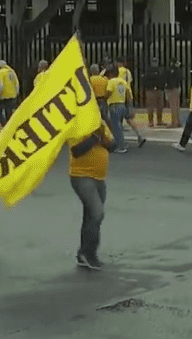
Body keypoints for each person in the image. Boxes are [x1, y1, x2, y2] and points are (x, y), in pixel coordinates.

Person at [68, 119, 116, 270]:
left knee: (90, 215)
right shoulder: (77, 123)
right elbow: (76, 150)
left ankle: (84, 253)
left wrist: (104, 140)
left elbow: (113, 145)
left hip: (100, 177)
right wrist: (95, 138)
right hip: (81, 176)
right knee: (97, 213)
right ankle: (89, 253)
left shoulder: (101, 123)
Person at [104, 66, 131, 155]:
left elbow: (109, 92)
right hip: (122, 105)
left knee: (116, 128)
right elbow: (128, 94)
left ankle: (120, 147)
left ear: (111, 73)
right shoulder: (123, 81)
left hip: (114, 105)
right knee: (119, 126)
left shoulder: (111, 81)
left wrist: (104, 99)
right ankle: (121, 143)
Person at [0, 60, 20, 128]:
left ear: (0, 66)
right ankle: (9, 126)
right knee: (9, 112)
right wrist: (16, 93)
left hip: (3, 96)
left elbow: (0, 85)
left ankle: (3, 124)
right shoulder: (12, 71)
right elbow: (16, 83)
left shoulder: (1, 72)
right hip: (12, 95)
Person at [143, 57, 166, 127]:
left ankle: (159, 120)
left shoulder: (160, 70)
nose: (155, 63)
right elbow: (145, 80)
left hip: (159, 89)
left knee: (160, 106)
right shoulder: (148, 71)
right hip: (150, 90)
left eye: (156, 61)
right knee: (150, 106)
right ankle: (151, 121)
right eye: (154, 62)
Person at [164, 59, 183, 128]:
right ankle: (177, 121)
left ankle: (174, 122)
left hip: (172, 89)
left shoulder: (170, 70)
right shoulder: (178, 70)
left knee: (173, 106)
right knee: (176, 106)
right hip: (177, 88)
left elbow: (166, 78)